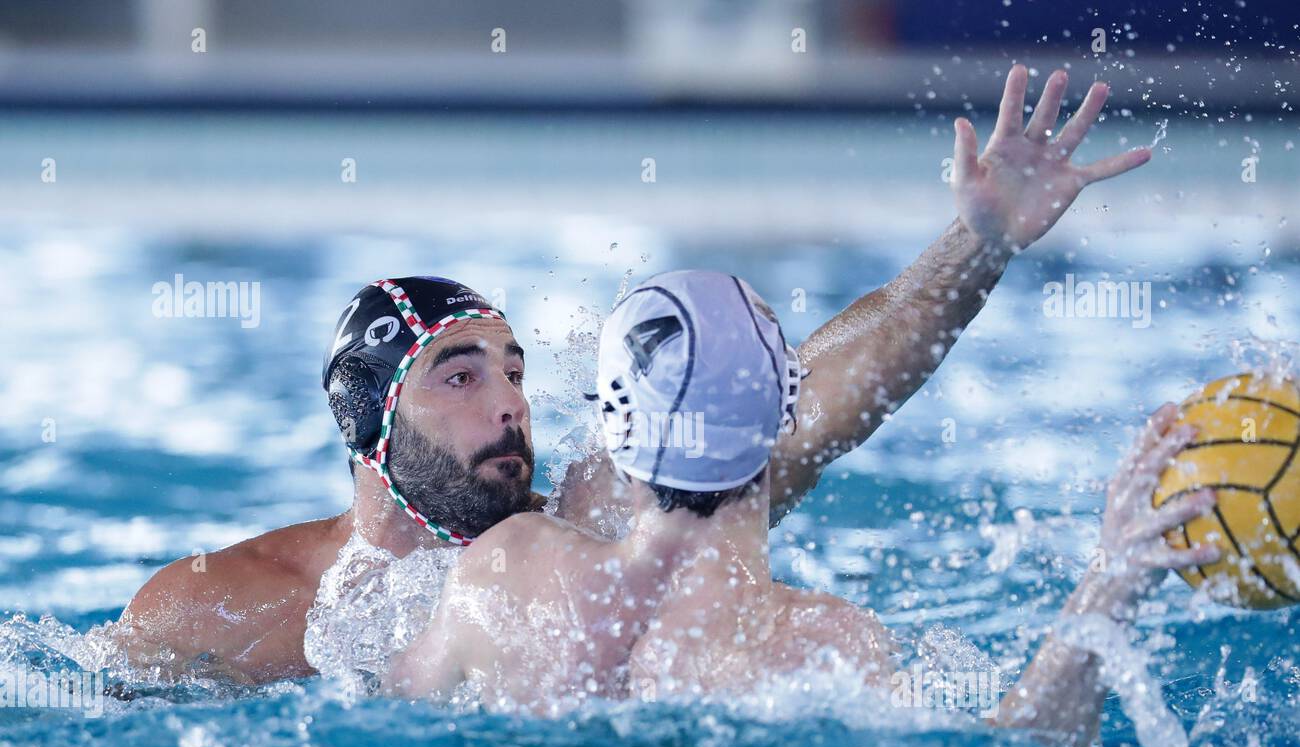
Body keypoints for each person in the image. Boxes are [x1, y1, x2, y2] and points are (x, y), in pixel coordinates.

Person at [117, 65, 1154, 686]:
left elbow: (814, 398)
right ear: (368, 424)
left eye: (516, 371)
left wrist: (975, 246)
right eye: (462, 376)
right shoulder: (216, 611)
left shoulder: (603, 510)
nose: (512, 400)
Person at [385, 271, 1220, 747]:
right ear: (788, 414)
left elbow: (386, 713)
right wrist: (1111, 579)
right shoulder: (821, 646)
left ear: (612, 423)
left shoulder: (501, 570)